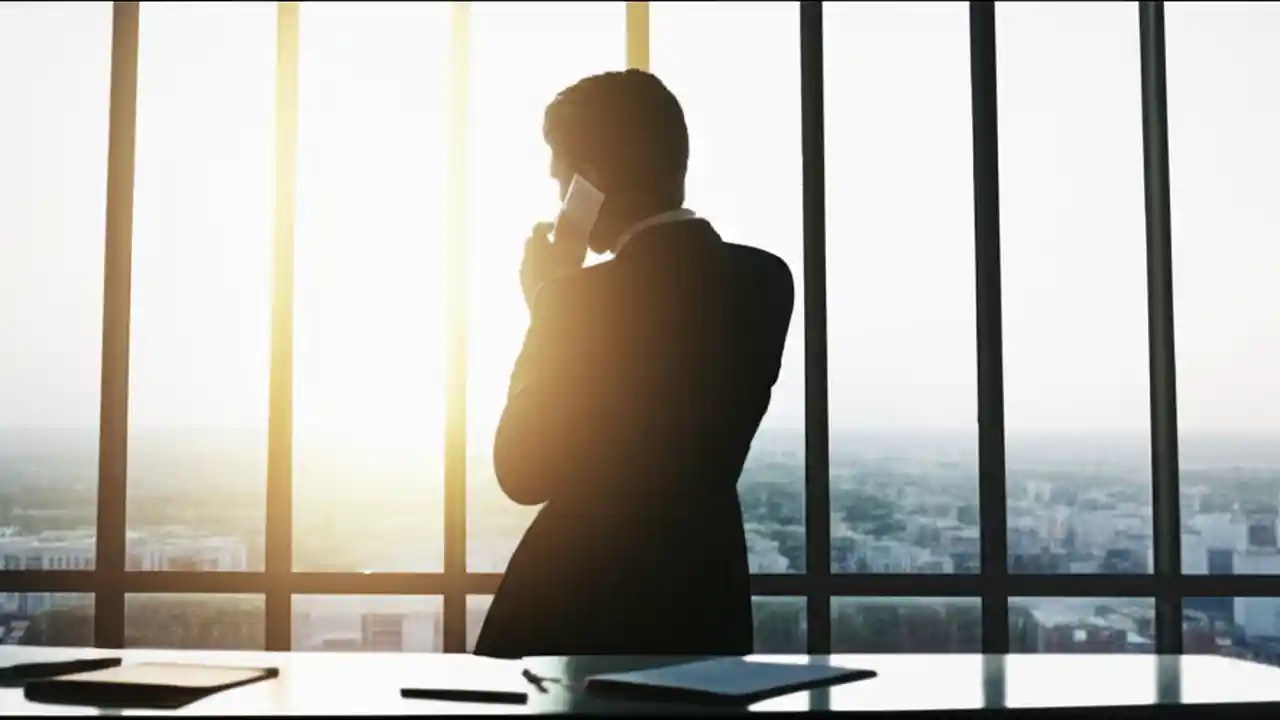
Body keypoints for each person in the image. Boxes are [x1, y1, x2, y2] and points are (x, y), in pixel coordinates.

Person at [474, 69, 794, 659]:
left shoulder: (575, 300)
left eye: (561, 177)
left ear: (590, 183)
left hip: (576, 604)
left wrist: (547, 306)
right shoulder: (765, 281)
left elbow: (522, 472)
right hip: (704, 597)